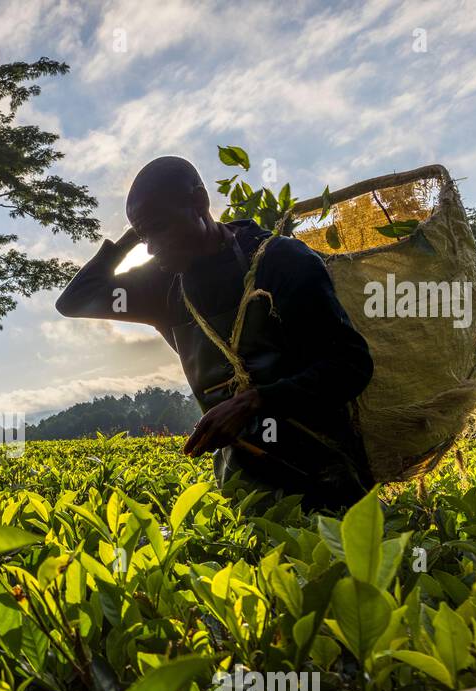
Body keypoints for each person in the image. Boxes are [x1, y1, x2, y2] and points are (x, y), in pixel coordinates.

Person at [54, 155, 375, 511]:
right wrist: (134, 235)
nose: (151, 247)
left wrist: (255, 401)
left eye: (160, 227)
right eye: (144, 236)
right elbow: (75, 300)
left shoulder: (280, 260)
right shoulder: (163, 284)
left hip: (329, 477)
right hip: (247, 486)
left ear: (199, 203)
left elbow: (352, 364)